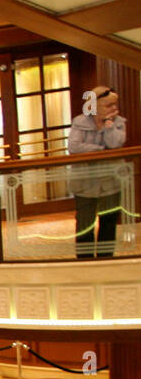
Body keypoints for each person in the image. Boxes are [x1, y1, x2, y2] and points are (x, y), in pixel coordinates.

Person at [68, 85, 128, 259]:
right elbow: (74, 147)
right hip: (84, 182)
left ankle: (105, 259)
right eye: (109, 105)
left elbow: (116, 144)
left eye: (115, 104)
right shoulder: (79, 122)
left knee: (108, 222)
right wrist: (101, 149)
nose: (114, 109)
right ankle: (85, 262)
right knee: (85, 223)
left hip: (111, 181)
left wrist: (108, 126)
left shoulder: (118, 122)